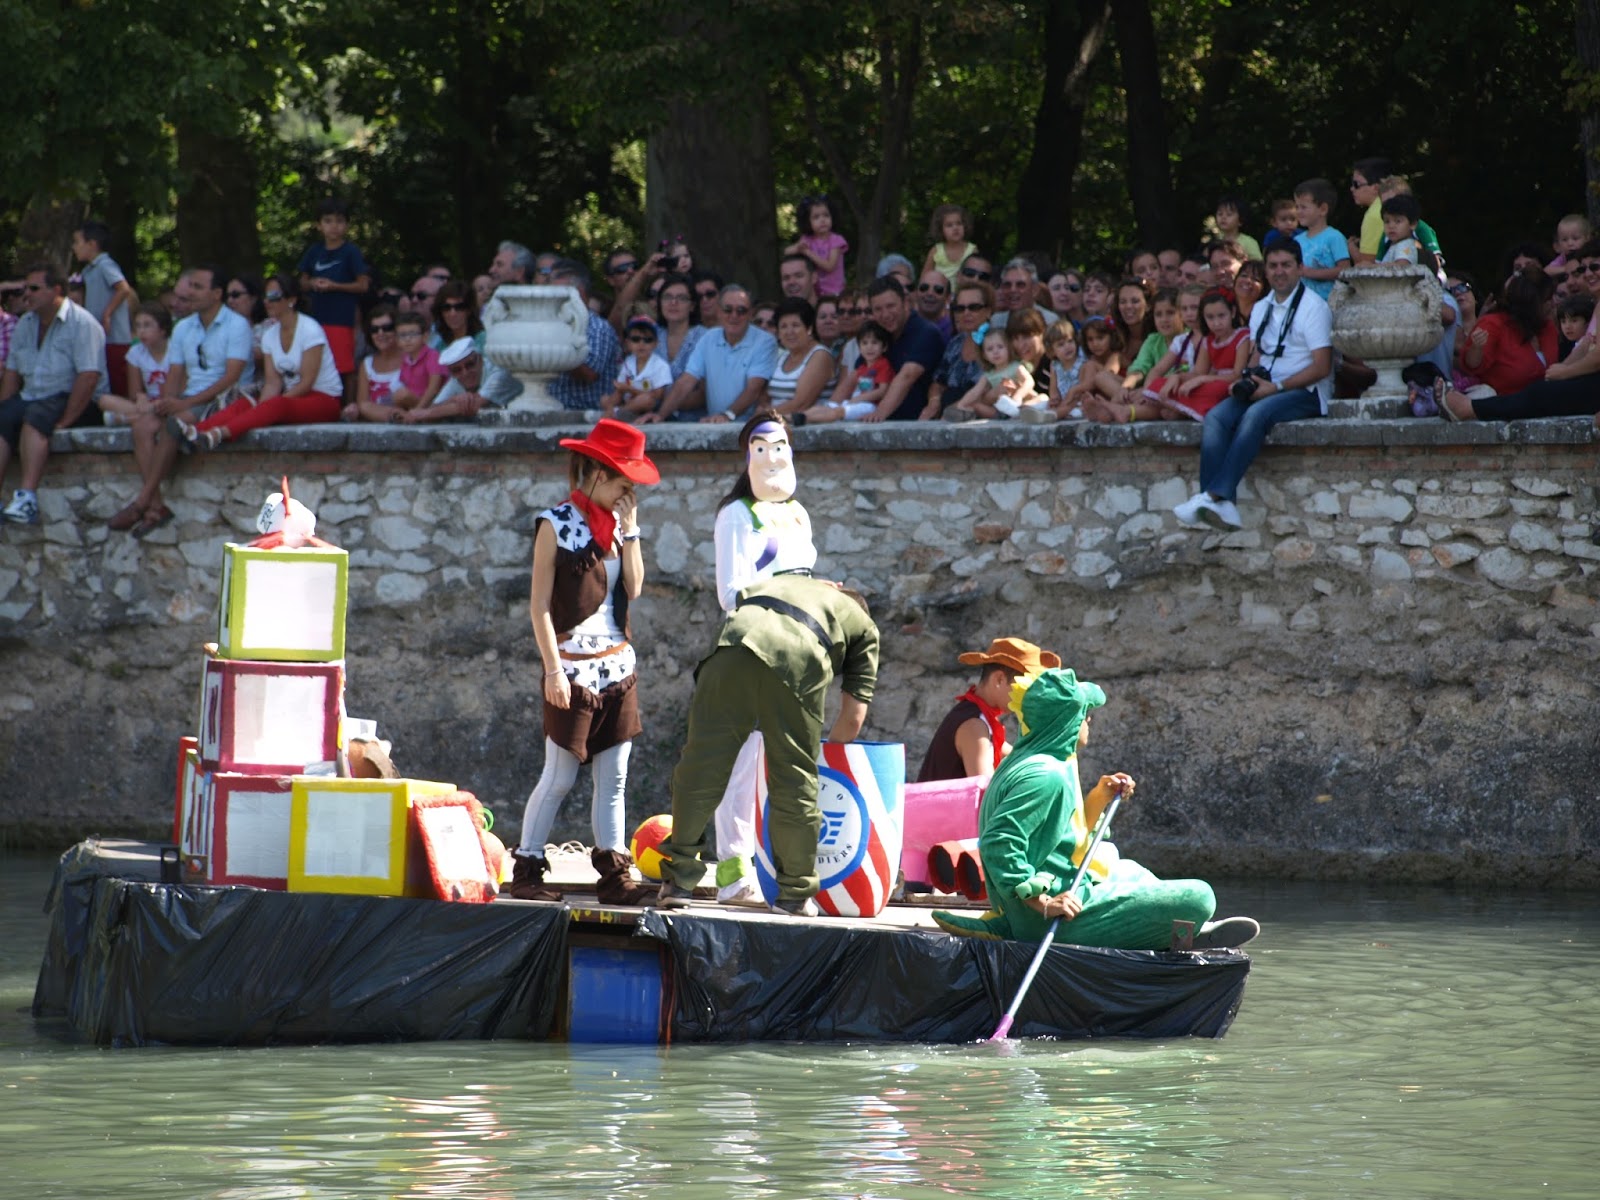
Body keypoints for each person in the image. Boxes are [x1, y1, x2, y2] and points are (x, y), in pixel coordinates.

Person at [932, 667, 1258, 950]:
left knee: (1130, 871)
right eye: (1085, 715)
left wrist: (1099, 796)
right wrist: (1043, 904)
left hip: (1049, 896)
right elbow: (998, 843)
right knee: (1200, 897)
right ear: (1068, 722)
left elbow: (1063, 836)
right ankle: (1180, 932)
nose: (1089, 721)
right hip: (1052, 918)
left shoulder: (1030, 759)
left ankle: (1180, 930)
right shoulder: (1047, 776)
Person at [655, 575, 880, 917]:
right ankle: (794, 893)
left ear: (834, 586)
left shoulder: (793, 582)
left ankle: (678, 883)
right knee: (794, 781)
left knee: (701, 769)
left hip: (731, 647)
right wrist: (824, 754)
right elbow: (853, 718)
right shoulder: (863, 625)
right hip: (799, 657)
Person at [508, 420, 661, 906]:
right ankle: (528, 868)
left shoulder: (620, 527)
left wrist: (632, 532)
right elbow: (539, 606)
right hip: (572, 668)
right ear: (597, 473)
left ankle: (614, 875)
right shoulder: (554, 523)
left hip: (618, 666)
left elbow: (633, 589)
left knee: (613, 778)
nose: (628, 493)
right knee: (559, 775)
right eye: (622, 482)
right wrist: (553, 669)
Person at [706, 413, 818, 903]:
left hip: (796, 653)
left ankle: (787, 873)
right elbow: (729, 593)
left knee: (790, 765)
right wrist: (783, 593)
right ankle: (733, 874)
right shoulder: (736, 515)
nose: (773, 456)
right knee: (742, 765)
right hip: (750, 651)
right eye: (762, 446)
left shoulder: (797, 513)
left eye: (781, 445)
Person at [1173, 241, 1332, 530]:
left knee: (1254, 416)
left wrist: (1278, 387)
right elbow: (1259, 353)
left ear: (1299, 268)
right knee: (1216, 417)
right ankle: (1221, 504)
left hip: (1305, 392)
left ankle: (1211, 496)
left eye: (1286, 265)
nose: (1279, 272)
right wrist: (1247, 379)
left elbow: (1322, 367)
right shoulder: (1261, 307)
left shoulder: (1314, 308)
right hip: (1267, 385)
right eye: (1273, 266)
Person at [118, 264, 249, 537]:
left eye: (197, 287)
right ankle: (155, 507)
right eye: (189, 286)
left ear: (216, 294)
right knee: (143, 426)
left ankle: (142, 502)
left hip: (225, 398)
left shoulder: (237, 325)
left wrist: (183, 405)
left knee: (173, 425)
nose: (189, 292)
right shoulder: (183, 327)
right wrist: (168, 401)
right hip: (189, 397)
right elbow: (176, 372)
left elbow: (231, 377)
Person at [173, 272, 344, 450]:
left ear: (291, 299)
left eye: (274, 296)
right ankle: (195, 432)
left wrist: (267, 406)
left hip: (324, 400)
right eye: (265, 296)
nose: (267, 301)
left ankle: (218, 434)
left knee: (275, 405)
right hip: (292, 397)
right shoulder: (270, 335)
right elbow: (272, 382)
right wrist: (260, 406)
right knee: (246, 403)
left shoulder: (310, 329)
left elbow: (307, 383)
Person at [0, 265, 105, 527]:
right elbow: (12, 373)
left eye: (34, 288)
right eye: (25, 289)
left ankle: (27, 498)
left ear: (56, 290)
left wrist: (66, 421)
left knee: (37, 418)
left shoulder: (83, 323)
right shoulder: (25, 323)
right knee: (3, 417)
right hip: (31, 395)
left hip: (69, 398)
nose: (27, 295)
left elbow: (88, 377)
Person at [918, 637, 1060, 784]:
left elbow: (1014, 755)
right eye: (1024, 688)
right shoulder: (974, 726)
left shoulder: (981, 717)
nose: (1027, 697)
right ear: (999, 679)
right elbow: (986, 793)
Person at [641, 284, 776, 424]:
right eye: (727, 310)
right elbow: (686, 381)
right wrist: (660, 416)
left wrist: (727, 415)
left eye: (741, 310)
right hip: (715, 424)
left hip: (751, 427)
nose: (734, 316)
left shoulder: (765, 341)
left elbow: (754, 389)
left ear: (750, 314)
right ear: (718, 312)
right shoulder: (708, 338)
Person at [295, 198, 370, 388]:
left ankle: (348, 408)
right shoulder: (314, 251)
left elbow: (363, 285)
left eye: (339, 221)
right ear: (319, 225)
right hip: (316, 320)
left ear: (346, 224)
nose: (334, 226)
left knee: (344, 367)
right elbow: (301, 282)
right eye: (328, 221)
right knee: (316, 365)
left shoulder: (351, 252)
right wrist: (312, 283)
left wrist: (334, 286)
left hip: (342, 319)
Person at [861, 277, 945, 421]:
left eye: (890, 306)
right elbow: (857, 373)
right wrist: (833, 407)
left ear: (906, 303)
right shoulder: (879, 334)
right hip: (882, 422)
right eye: (878, 309)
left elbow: (907, 376)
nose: (885, 314)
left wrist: (878, 415)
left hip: (916, 427)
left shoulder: (926, 332)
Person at [71, 220, 135, 397]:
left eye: (77, 242)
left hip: (114, 337)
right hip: (99, 337)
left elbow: (123, 288)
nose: (74, 247)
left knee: (118, 380)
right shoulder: (88, 270)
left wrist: (107, 314)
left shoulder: (105, 264)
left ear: (92, 244)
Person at [548, 261, 620, 411]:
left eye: (558, 294)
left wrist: (556, 346)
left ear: (579, 294)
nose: (551, 300)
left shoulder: (599, 328)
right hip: (553, 412)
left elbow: (589, 374)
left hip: (586, 417)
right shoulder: (550, 325)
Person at [407, 338, 522, 421]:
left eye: (470, 364)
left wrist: (422, 414)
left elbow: (476, 405)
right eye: (457, 370)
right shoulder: (455, 380)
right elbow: (434, 409)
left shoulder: (498, 371)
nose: (465, 373)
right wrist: (454, 399)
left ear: (480, 359)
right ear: (451, 372)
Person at [96, 302, 170, 427]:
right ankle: (144, 415)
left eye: (147, 326)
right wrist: (140, 398)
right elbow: (134, 392)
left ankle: (128, 419)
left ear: (162, 329)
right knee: (104, 400)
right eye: (138, 326)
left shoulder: (176, 350)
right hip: (146, 405)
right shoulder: (135, 352)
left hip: (170, 401)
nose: (141, 331)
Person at [927, 280, 994, 417]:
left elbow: (995, 388)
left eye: (974, 307)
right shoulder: (955, 343)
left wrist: (952, 411)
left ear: (988, 311)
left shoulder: (998, 343)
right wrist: (933, 402)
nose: (966, 313)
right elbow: (938, 382)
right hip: (947, 420)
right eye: (960, 308)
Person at [944, 325, 1036, 421]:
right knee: (976, 406)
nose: (995, 352)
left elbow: (1029, 382)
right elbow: (975, 392)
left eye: (1000, 347)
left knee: (1043, 397)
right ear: (984, 355)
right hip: (1000, 409)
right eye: (990, 349)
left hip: (1022, 404)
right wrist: (962, 404)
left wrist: (1018, 396)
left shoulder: (1016, 367)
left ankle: (1021, 413)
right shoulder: (988, 374)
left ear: (1009, 348)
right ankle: (965, 415)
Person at [808, 320, 891, 423]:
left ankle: (803, 419)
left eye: (874, 343)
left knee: (837, 412)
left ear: (884, 347)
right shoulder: (862, 368)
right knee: (828, 405)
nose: (869, 347)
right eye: (865, 343)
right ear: (859, 348)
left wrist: (858, 399)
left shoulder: (883, 364)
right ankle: (794, 416)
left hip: (870, 406)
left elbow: (882, 391)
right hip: (857, 401)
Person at [765, 298, 834, 416]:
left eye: (796, 325)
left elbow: (801, 404)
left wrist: (762, 416)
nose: (789, 332)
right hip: (776, 424)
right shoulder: (783, 357)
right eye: (783, 326)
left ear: (809, 328)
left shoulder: (820, 356)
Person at [346, 303, 408, 423]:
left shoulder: (411, 359)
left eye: (387, 328)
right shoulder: (367, 364)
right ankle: (395, 417)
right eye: (374, 330)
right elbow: (363, 405)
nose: (380, 333)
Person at [601, 317, 673, 420]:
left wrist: (631, 390)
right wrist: (621, 390)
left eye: (647, 340)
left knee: (646, 399)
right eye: (636, 339)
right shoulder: (628, 362)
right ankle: (616, 413)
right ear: (628, 343)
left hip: (648, 406)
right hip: (629, 401)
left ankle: (616, 413)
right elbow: (620, 389)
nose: (641, 344)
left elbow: (657, 396)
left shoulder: (660, 365)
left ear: (656, 343)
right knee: (605, 399)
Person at [1293, 178, 1350, 301]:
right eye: (1297, 207)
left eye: (1303, 207)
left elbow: (1345, 270)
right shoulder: (1296, 240)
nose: (1298, 211)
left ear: (1323, 209)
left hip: (1328, 303)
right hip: (1302, 303)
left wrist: (1313, 273)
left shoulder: (1334, 237)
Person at [786, 195, 849, 296]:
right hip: (813, 292)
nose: (822, 220)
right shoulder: (807, 239)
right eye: (816, 217)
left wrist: (808, 252)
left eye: (826, 215)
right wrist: (798, 247)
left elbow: (830, 266)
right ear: (808, 222)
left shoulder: (836, 240)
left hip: (834, 292)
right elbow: (787, 252)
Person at [650, 273, 706, 381]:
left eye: (682, 298)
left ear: (692, 306)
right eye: (667, 297)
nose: (673, 302)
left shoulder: (705, 337)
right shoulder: (650, 333)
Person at [222, 273, 268, 398]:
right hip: (224, 390)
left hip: (259, 391)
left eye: (236, 295)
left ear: (254, 297)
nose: (230, 300)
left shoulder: (269, 326)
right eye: (227, 296)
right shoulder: (222, 329)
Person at [393, 311, 447, 411]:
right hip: (415, 404)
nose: (408, 339)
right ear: (397, 340)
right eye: (403, 335)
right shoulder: (405, 359)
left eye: (413, 334)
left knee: (403, 394)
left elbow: (433, 389)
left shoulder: (432, 355)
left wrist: (418, 411)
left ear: (425, 337)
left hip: (435, 404)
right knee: (397, 394)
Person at [1346, 157, 1392, 265]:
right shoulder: (1394, 205)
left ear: (1376, 188)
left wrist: (1350, 247)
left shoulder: (1374, 215)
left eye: (1356, 184)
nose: (1352, 188)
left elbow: (1367, 265)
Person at [992, 259, 1057, 329]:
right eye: (1007, 285)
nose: (1012, 290)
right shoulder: (996, 322)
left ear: (1034, 290)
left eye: (1020, 285)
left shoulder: (1050, 321)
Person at [923, 203, 978, 285]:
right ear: (941, 230)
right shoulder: (936, 251)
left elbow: (977, 278)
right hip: (940, 295)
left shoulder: (972, 250)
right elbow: (925, 277)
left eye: (959, 223)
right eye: (949, 225)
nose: (955, 228)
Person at [1214, 196, 1262, 262]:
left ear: (1240, 221)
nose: (1223, 217)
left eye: (1229, 214)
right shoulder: (1215, 242)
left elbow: (1258, 265)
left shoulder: (1249, 242)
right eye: (1220, 214)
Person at [913, 270, 953, 338]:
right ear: (915, 293)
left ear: (948, 298)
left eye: (938, 290)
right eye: (924, 287)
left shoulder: (954, 331)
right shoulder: (903, 326)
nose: (930, 293)